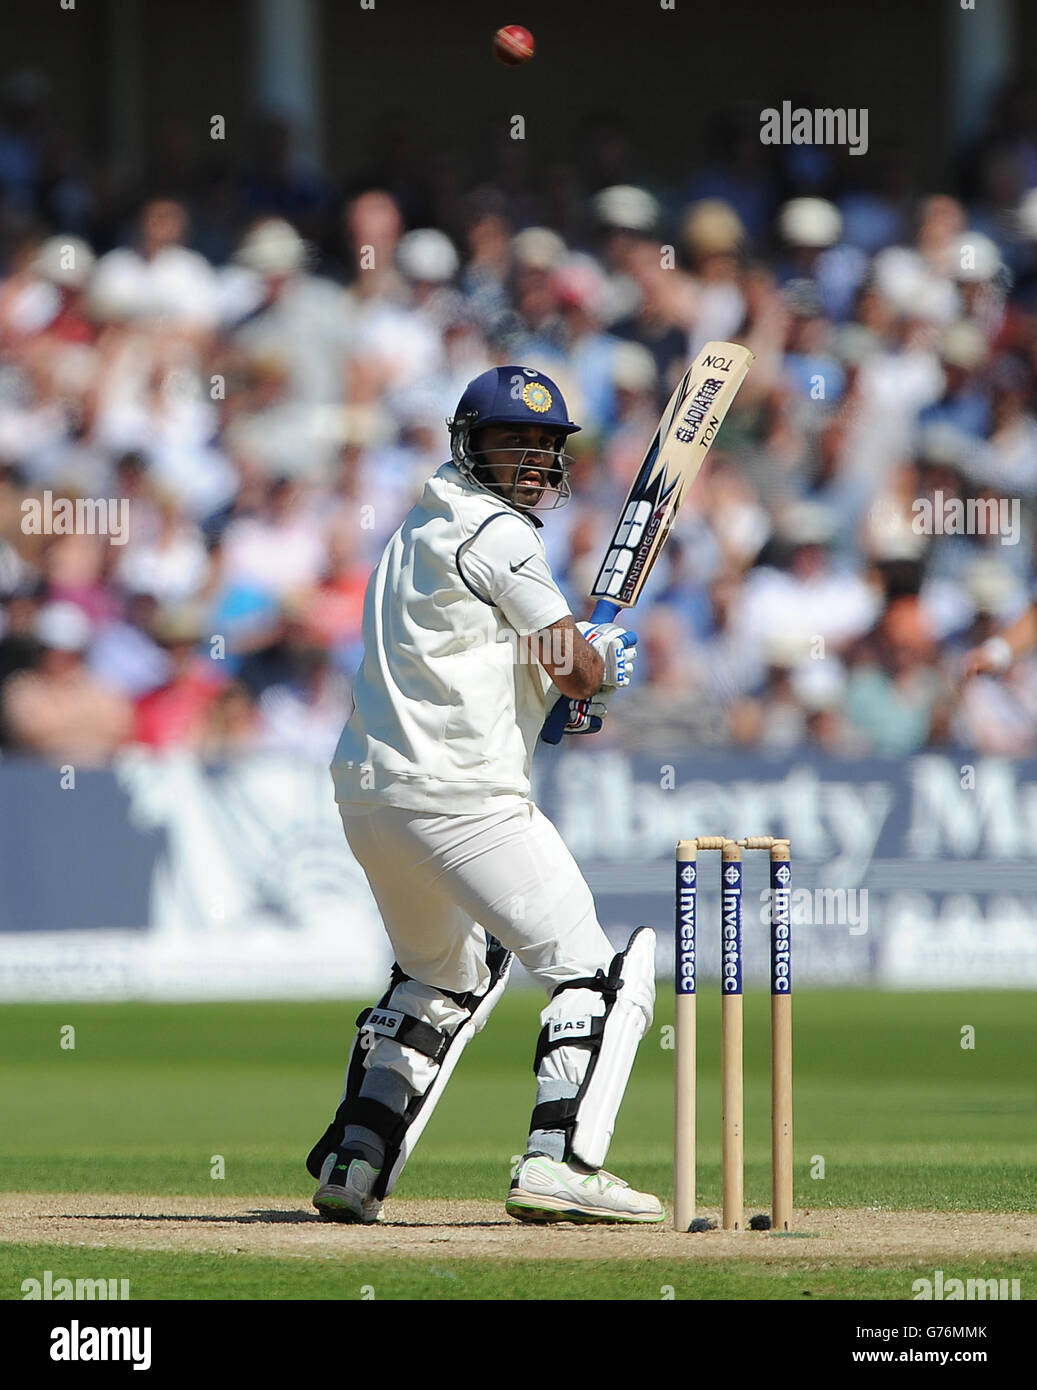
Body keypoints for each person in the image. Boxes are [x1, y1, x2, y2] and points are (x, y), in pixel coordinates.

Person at [305, 365, 662, 1225]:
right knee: (598, 973)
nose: (535, 459)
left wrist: (552, 694)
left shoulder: (416, 530)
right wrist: (596, 668)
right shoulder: (500, 534)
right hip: (462, 798)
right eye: (516, 441)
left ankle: (357, 1157)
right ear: (471, 445)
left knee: (439, 980)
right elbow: (571, 661)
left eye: (547, 445)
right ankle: (560, 1160)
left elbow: (474, 662)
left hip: (372, 800)